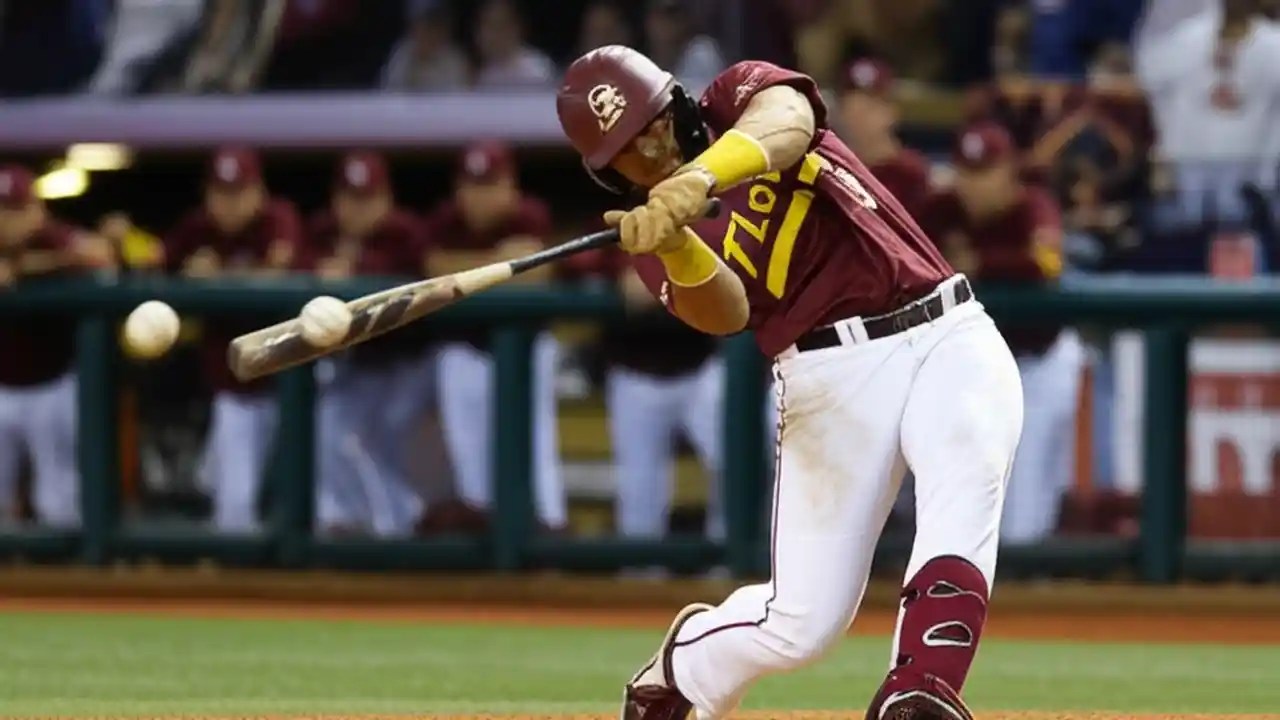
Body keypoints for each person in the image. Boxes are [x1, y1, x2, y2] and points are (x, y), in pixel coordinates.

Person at [557, 46, 1023, 720]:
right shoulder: (648, 241)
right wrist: (673, 243)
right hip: (829, 377)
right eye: (630, 150)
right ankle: (686, 663)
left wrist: (701, 178)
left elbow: (790, 120)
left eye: (655, 121)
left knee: (967, 467)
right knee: (801, 624)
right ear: (607, 176)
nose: (654, 146)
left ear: (678, 101)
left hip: (946, 327)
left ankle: (919, 689)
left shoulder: (736, 94)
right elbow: (726, 312)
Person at [921, 123, 1083, 546]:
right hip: (968, 370)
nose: (975, 185)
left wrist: (980, 263)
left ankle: (1032, 591)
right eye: (967, 172)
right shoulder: (940, 209)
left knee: (1024, 504)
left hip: (1037, 362)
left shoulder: (1033, 206)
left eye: (986, 172)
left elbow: (1048, 263)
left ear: (1009, 171)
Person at [421, 140, 566, 534]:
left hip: (527, 351)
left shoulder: (529, 215)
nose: (480, 197)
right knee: (471, 456)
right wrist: (498, 263)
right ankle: (482, 528)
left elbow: (535, 273)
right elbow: (432, 271)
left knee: (535, 450)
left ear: (510, 186)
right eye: (472, 185)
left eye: (490, 185)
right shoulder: (445, 220)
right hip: (465, 351)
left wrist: (461, 269)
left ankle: (550, 531)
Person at [164, 147, 302, 532]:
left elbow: (279, 270)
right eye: (221, 193)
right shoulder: (195, 228)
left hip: (296, 384)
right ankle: (239, 577)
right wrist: (185, 274)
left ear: (259, 191)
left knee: (313, 484)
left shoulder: (278, 218)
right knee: (234, 502)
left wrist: (218, 273)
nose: (229, 204)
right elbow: (154, 267)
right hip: (234, 387)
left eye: (239, 192)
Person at [566, 244, 725, 547]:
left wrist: (659, 274)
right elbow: (574, 269)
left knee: (731, 463)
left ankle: (730, 568)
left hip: (701, 369)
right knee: (639, 486)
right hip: (634, 373)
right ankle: (642, 578)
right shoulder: (617, 219)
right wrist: (620, 273)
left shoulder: (705, 213)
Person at [305, 151, 427, 537]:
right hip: (356, 369)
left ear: (386, 199)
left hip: (412, 366)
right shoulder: (321, 233)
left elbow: (418, 272)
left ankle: (399, 525)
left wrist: (355, 271)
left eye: (367, 199)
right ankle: (357, 524)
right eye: (349, 198)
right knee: (333, 434)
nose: (357, 210)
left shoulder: (406, 233)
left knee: (378, 444)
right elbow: (295, 264)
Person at [0, 165, 112, 527]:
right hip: (2, 387)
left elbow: (99, 254)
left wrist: (28, 267)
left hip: (51, 384)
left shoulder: (52, 237)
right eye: (2, 211)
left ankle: (72, 579)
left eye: (17, 210)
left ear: (37, 209)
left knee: (58, 502)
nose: (8, 221)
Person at [836, 57, 931, 220]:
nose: (859, 117)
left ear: (892, 111)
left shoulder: (909, 174)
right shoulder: (833, 167)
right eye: (852, 107)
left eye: (870, 108)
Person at [380, 0, 468, 92]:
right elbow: (390, 97)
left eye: (437, 25)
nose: (432, 32)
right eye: (426, 25)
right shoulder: (401, 56)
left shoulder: (455, 60)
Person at [472, 0, 555, 90]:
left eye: (497, 26)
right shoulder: (486, 74)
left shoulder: (537, 71)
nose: (488, 34)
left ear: (515, 28)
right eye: (484, 26)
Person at [644, 0, 725, 89]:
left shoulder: (702, 53)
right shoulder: (642, 58)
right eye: (660, 15)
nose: (667, 23)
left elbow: (694, 99)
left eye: (673, 15)